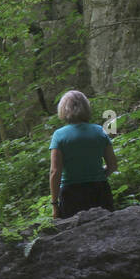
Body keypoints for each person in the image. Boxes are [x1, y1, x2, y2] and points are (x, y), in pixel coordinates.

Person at [49, 90, 117, 220]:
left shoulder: (59, 135)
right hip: (100, 191)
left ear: (63, 109)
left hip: (71, 194)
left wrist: (54, 204)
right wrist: (98, 175)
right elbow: (113, 165)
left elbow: (55, 172)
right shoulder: (100, 131)